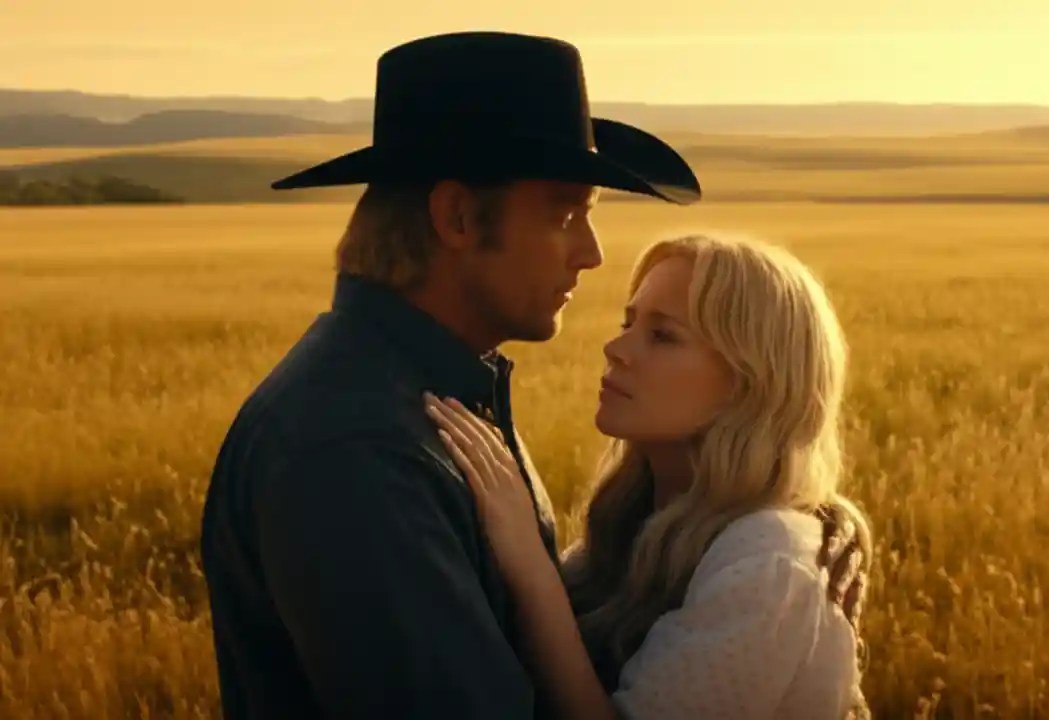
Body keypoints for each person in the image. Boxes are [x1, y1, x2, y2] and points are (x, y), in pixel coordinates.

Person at [200, 31, 865, 720]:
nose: (592, 253)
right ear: (458, 217)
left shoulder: (440, 405)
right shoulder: (358, 450)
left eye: (664, 335)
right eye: (566, 214)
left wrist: (797, 534)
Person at [427, 234, 872, 719]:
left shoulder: (769, 562)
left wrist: (530, 567)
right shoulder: (643, 525)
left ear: (750, 383)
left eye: (662, 336)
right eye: (628, 322)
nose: (616, 348)